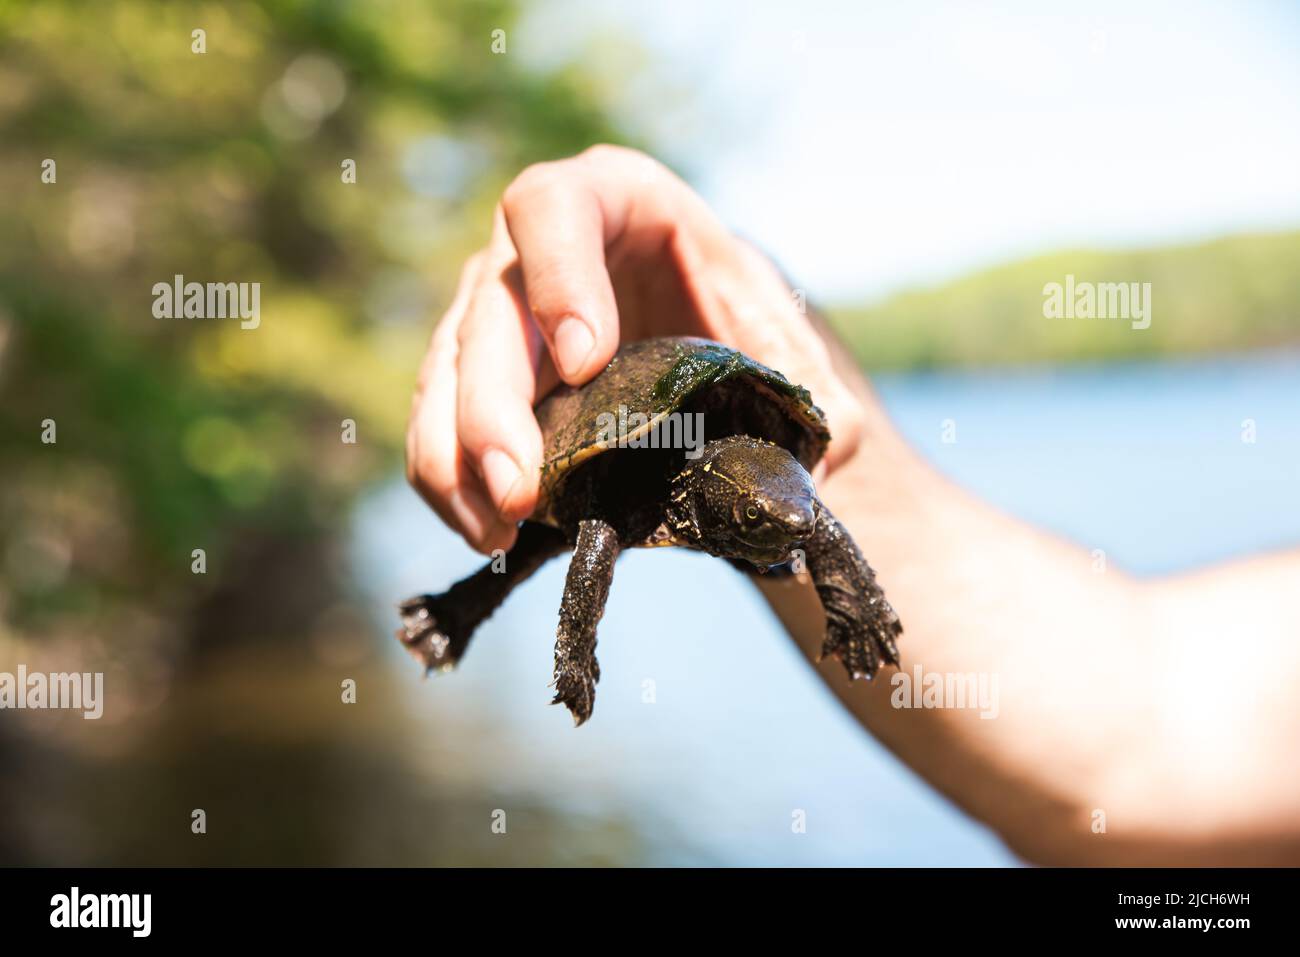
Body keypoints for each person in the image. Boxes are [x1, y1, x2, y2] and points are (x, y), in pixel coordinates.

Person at [405, 144, 1300, 865]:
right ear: (716, 494)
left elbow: (813, 515)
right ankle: (458, 609)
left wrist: (855, 600)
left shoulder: (788, 505)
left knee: (719, 528)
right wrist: (579, 653)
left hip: (718, 459)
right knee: (545, 540)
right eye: (770, 530)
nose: (798, 537)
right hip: (614, 454)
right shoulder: (662, 481)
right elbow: (1150, 729)